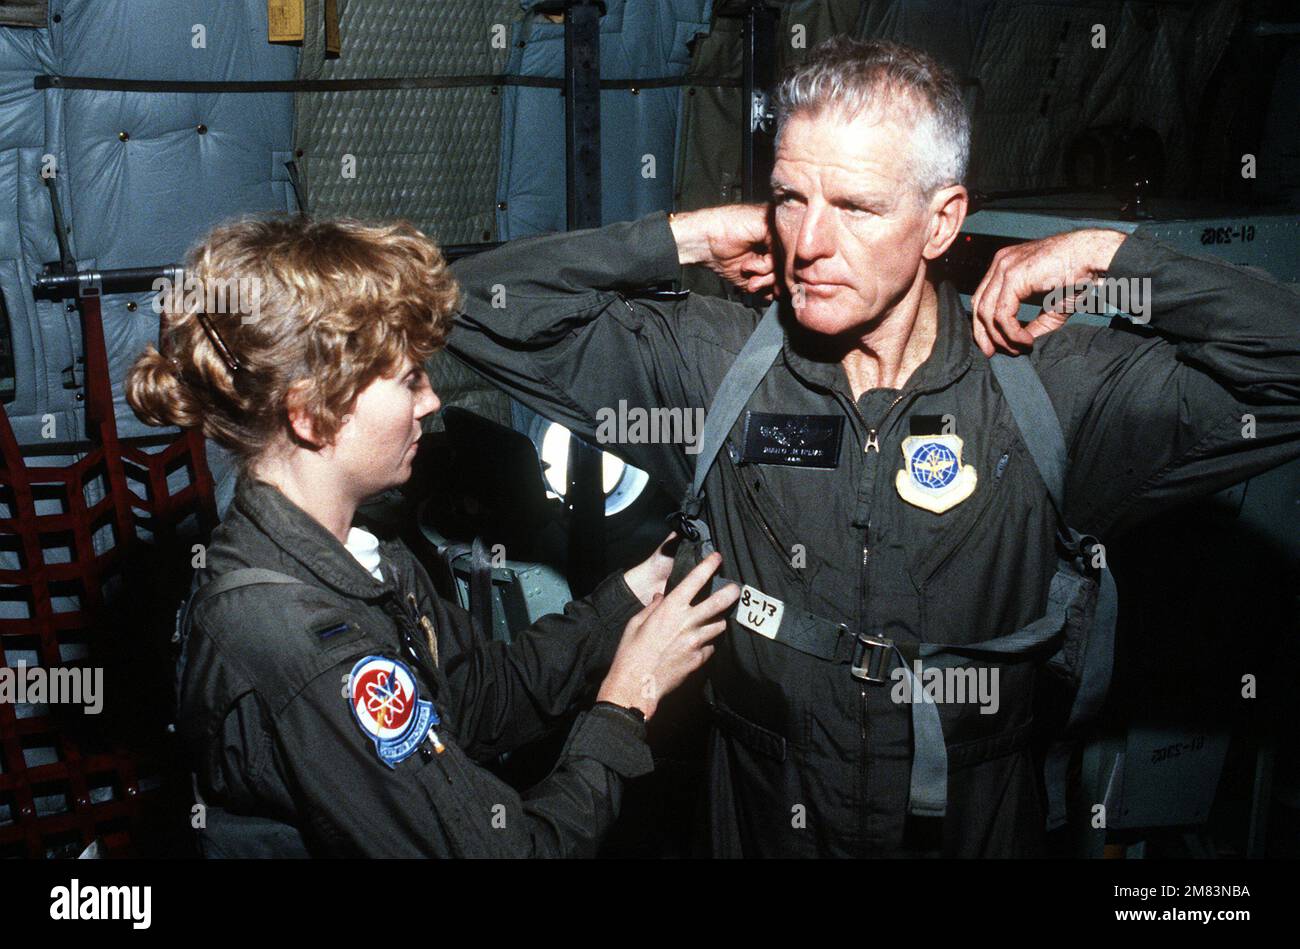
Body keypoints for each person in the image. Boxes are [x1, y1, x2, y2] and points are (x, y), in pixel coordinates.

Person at [445, 36, 1300, 856]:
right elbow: (460, 308)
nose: (809, 243)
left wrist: (1114, 257)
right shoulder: (712, 370)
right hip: (761, 813)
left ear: (941, 221)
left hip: (972, 818)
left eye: (855, 207)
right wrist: (685, 236)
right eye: (789, 197)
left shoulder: (1051, 388)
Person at [125, 215, 740, 858]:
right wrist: (628, 701)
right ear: (312, 414)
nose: (431, 403)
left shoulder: (360, 554)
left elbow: (478, 699)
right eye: (409, 379)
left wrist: (631, 599)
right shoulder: (297, 645)